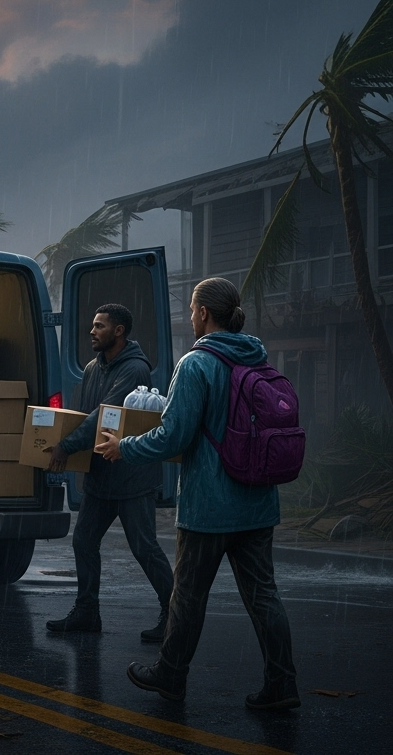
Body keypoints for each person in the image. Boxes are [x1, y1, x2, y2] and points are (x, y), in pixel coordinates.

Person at [96, 277, 299, 710]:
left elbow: (173, 436)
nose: (190, 316)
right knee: (264, 596)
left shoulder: (196, 364)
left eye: (191, 309)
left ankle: (171, 675)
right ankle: (282, 684)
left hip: (209, 506)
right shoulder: (257, 357)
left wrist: (123, 447)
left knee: (188, 595)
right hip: (258, 503)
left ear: (204, 313)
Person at [46, 304, 173, 642]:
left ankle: (175, 616)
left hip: (132, 477)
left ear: (119, 331)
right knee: (84, 541)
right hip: (101, 475)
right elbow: (83, 415)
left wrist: (66, 446)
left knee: (144, 548)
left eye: (100, 326)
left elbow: (103, 416)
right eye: (93, 325)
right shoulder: (92, 368)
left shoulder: (134, 369)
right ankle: (87, 612)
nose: (92, 331)